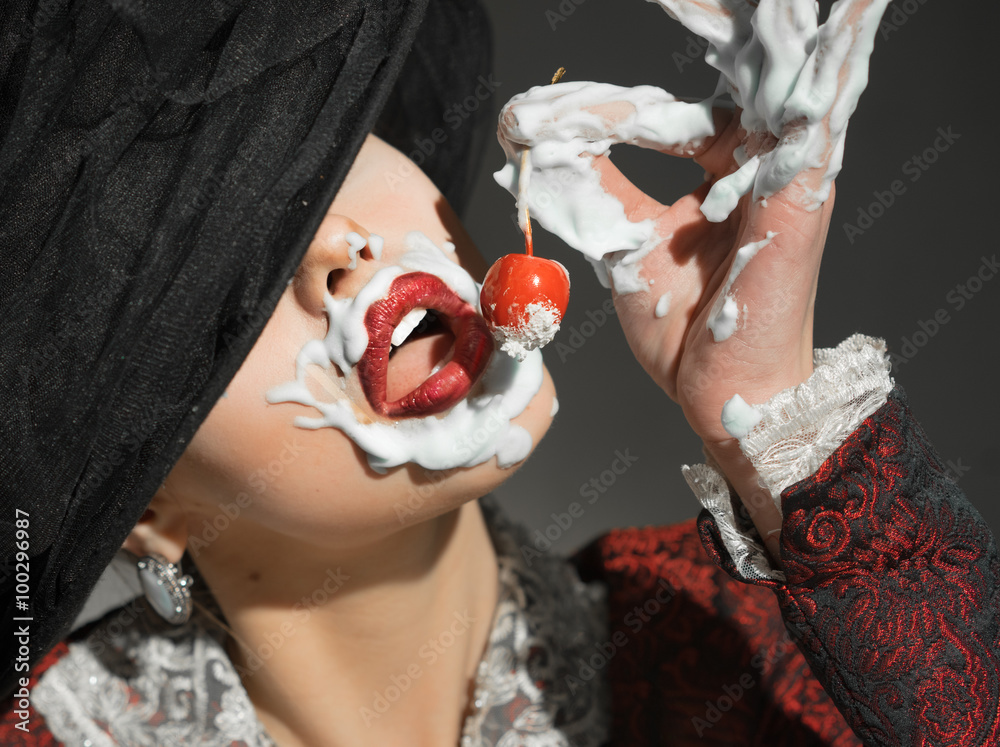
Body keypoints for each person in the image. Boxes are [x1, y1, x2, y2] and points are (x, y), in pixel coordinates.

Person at [2, 0, 997, 745]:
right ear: (146, 511)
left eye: (323, 164)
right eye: (215, 281)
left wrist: (774, 412)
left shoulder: (740, 646)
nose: (332, 251)